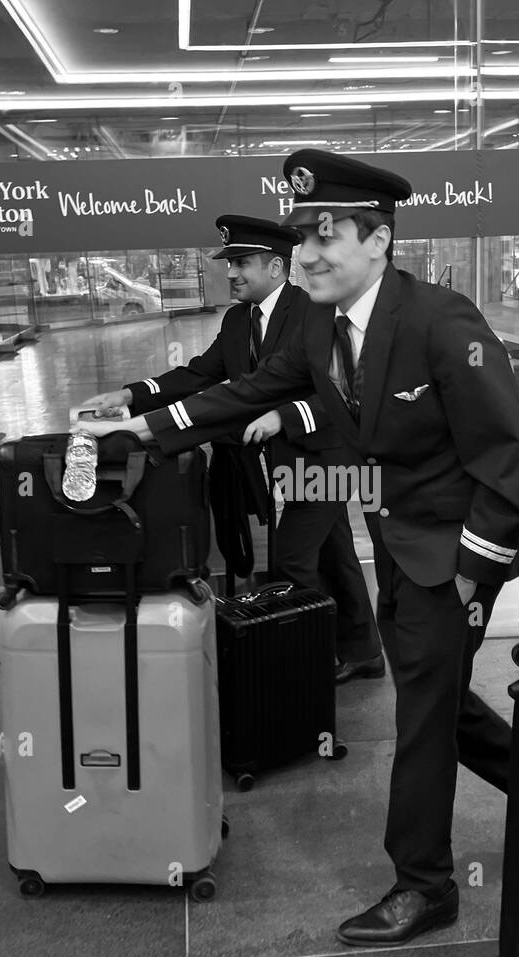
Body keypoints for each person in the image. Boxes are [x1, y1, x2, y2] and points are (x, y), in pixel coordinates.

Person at [74, 151, 519, 946]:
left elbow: (507, 457)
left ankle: (424, 884)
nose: (309, 255)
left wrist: (470, 577)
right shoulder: (318, 324)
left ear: (380, 240)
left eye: (327, 238)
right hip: (392, 544)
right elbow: (242, 391)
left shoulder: (441, 320)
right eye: (301, 239)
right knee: (444, 704)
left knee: (422, 716)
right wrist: (141, 426)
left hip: (447, 557)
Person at [80, 215, 383, 681]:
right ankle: (363, 651)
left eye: (242, 262)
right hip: (289, 460)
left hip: (329, 455)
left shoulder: (315, 313)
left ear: (277, 267)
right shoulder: (239, 319)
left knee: (293, 558)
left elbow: (342, 392)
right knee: (334, 551)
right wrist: (129, 396)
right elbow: (200, 375)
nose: (231, 272)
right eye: (231, 262)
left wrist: (284, 415)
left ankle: (302, 664)